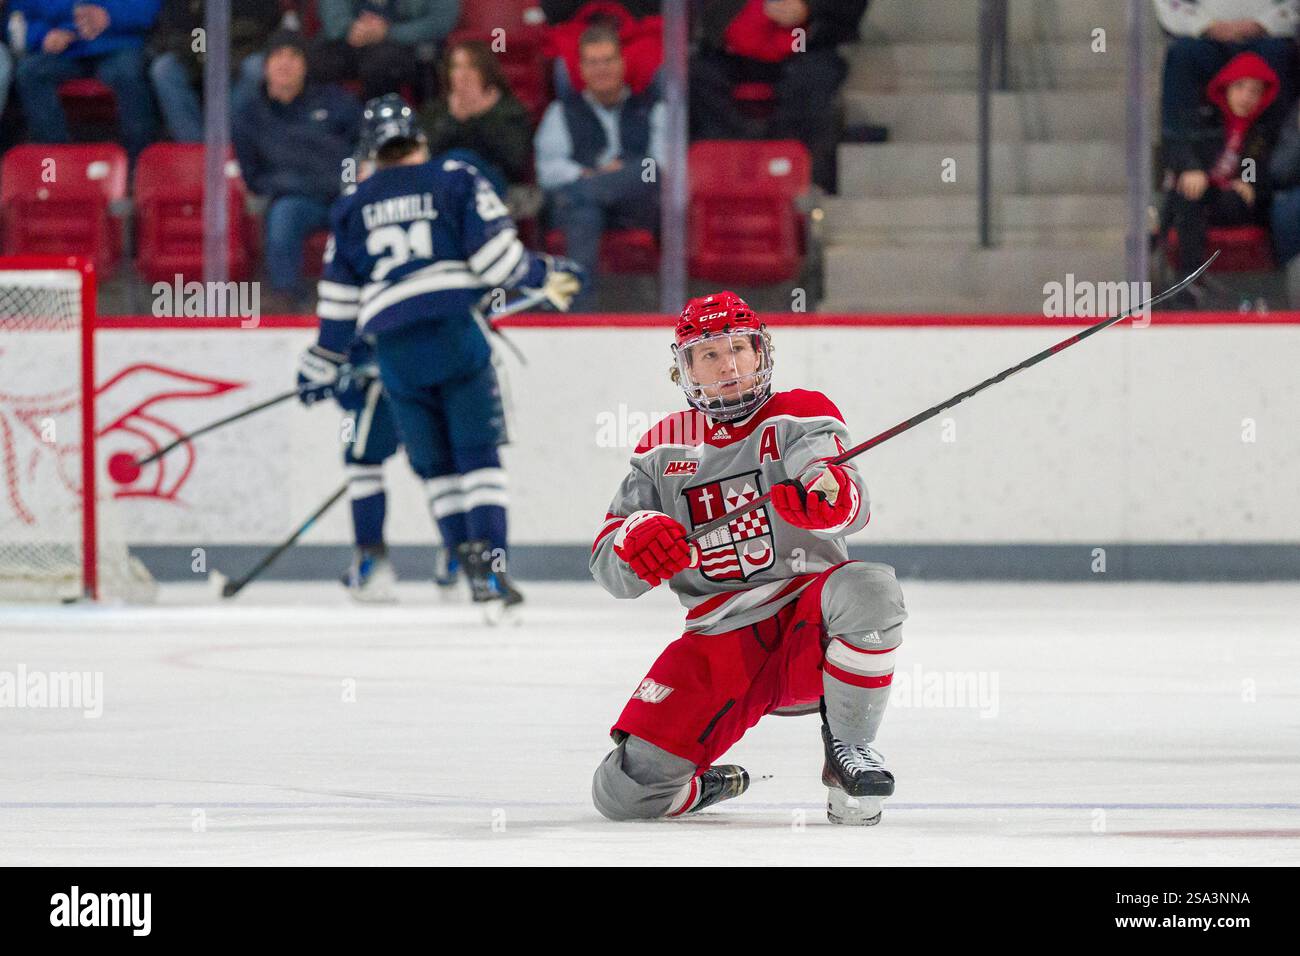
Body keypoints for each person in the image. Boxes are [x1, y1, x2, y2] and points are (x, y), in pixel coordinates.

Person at [589, 291, 907, 824]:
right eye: (709, 354)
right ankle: (710, 785)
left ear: (762, 354)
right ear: (684, 368)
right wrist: (635, 538)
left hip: (808, 626)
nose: (729, 364)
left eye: (740, 348)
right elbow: (609, 568)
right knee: (621, 795)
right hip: (718, 639)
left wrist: (824, 499)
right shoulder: (659, 448)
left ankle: (849, 751)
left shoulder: (800, 414)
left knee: (869, 587)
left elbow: (848, 501)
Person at [297, 94, 585, 617]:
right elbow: (498, 263)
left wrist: (322, 361)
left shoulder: (351, 207)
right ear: (420, 141)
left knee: (436, 467)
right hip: (455, 335)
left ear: (369, 152)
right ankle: (491, 573)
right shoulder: (454, 178)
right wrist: (546, 272)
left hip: (397, 354)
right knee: (478, 456)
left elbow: (338, 303)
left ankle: (460, 554)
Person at [297, 151, 459, 602]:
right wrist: (333, 366)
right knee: (431, 463)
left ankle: (377, 562)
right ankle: (455, 556)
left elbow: (350, 309)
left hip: (395, 374)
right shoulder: (416, 211)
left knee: (368, 460)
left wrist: (335, 365)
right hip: (417, 370)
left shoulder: (358, 221)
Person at [534, 21, 663, 310]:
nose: (601, 69)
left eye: (607, 60)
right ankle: (582, 312)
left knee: (643, 169)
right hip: (584, 211)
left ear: (622, 63)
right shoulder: (561, 112)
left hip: (636, 207)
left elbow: (660, 168)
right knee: (584, 212)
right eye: (593, 62)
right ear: (580, 69)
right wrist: (589, 176)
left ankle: (576, 313)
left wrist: (616, 176)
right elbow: (548, 170)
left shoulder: (652, 107)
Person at [232, 29, 361, 308]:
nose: (285, 63)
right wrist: (292, 183)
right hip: (297, 199)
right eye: (278, 56)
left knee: (367, 215)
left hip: (344, 196)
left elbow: (361, 146)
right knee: (283, 217)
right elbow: (254, 177)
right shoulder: (249, 115)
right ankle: (286, 301)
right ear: (265, 65)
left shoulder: (334, 101)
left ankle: (367, 300)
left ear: (305, 64)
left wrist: (349, 181)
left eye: (294, 56)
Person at [690, 0, 869, 193]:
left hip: (803, 45)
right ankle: (719, 183)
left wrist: (808, 8)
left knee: (813, 80)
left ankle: (800, 185)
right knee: (689, 80)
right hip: (727, 50)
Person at [1163, 51, 1279, 302]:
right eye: (1240, 88)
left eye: (1254, 91)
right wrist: (1192, 168)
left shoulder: (1257, 133)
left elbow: (1252, 167)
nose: (1246, 97)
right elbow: (1180, 145)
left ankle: (1189, 280)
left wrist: (1248, 182)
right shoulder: (1205, 118)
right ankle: (1188, 280)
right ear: (1226, 87)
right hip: (1198, 195)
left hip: (1228, 202)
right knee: (1188, 196)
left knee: (1200, 200)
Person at [14, 0, 161, 159]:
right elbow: (18, 19)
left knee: (126, 73)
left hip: (119, 42)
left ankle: (138, 162)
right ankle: (55, 160)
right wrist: (42, 36)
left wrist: (111, 17)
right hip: (67, 48)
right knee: (30, 72)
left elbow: (150, 11)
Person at [1154, 0, 1298, 153]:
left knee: (1280, 54)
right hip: (1203, 39)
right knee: (1182, 54)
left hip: (1269, 39)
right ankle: (1186, 165)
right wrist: (1205, 25)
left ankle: (1264, 166)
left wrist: (1263, 24)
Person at [148, 0, 279, 142]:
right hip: (197, 50)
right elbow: (175, 24)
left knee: (255, 68)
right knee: (164, 68)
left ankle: (225, 141)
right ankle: (194, 145)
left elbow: (265, 22)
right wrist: (199, 49)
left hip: (243, 51)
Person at [419, 39, 532, 199]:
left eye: (472, 66)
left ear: (486, 71)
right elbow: (424, 157)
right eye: (457, 67)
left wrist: (481, 116)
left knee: (460, 161)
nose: (464, 75)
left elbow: (514, 163)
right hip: (442, 188)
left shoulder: (509, 109)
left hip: (493, 189)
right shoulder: (435, 111)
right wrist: (454, 120)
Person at [309, 0, 460, 102]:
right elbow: (332, 8)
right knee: (316, 59)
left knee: (380, 64)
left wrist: (388, 32)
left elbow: (440, 21)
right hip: (354, 36)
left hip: (407, 44)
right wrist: (349, 27)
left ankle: (380, 130)